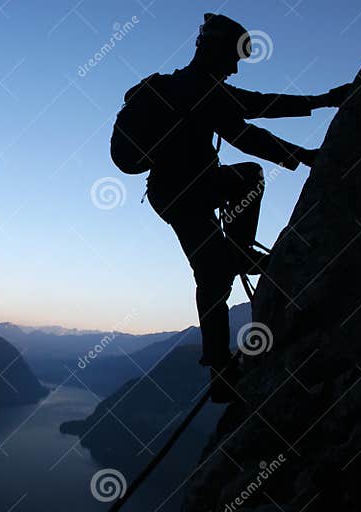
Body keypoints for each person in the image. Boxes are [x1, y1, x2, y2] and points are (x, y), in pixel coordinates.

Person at [142, 14, 350, 402]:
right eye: (235, 58)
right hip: (196, 190)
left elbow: (254, 106)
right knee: (249, 176)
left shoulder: (182, 87)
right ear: (219, 53)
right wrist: (303, 154)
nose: (237, 67)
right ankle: (239, 252)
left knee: (210, 274)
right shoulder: (203, 91)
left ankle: (220, 372)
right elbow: (246, 132)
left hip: (169, 195)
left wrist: (320, 102)